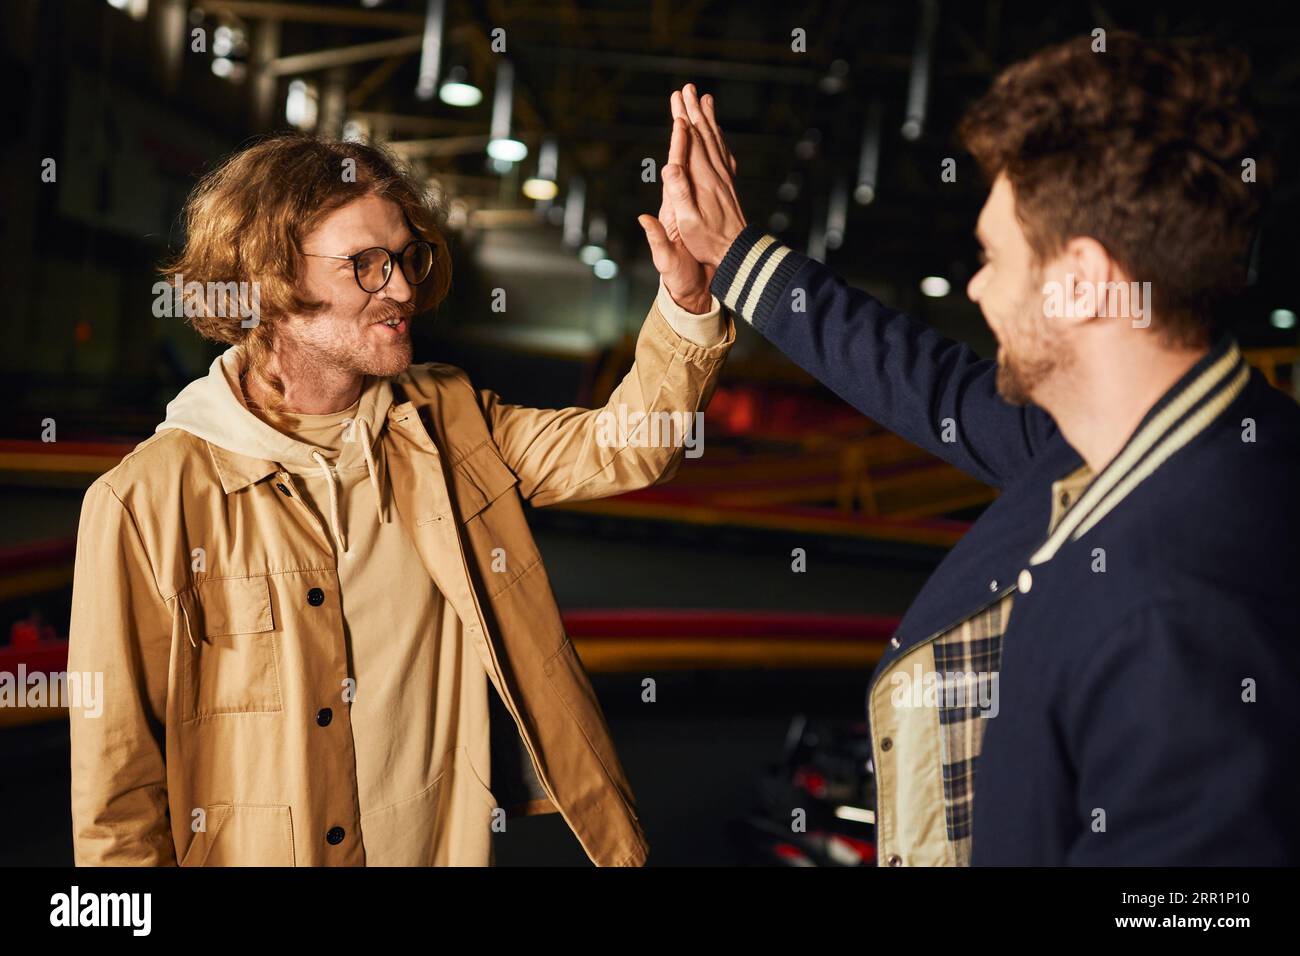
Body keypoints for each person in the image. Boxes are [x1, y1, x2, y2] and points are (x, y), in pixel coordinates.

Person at [663, 33, 1300, 865]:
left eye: (995, 257)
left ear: (1085, 280)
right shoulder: (1132, 440)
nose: (976, 287)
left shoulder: (1182, 614)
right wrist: (740, 259)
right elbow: (936, 387)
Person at [67, 129, 734, 866]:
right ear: (265, 278)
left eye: (406, 258)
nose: (404, 289)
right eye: (366, 266)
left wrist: (687, 301)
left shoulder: (450, 425)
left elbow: (631, 444)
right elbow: (116, 795)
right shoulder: (145, 502)